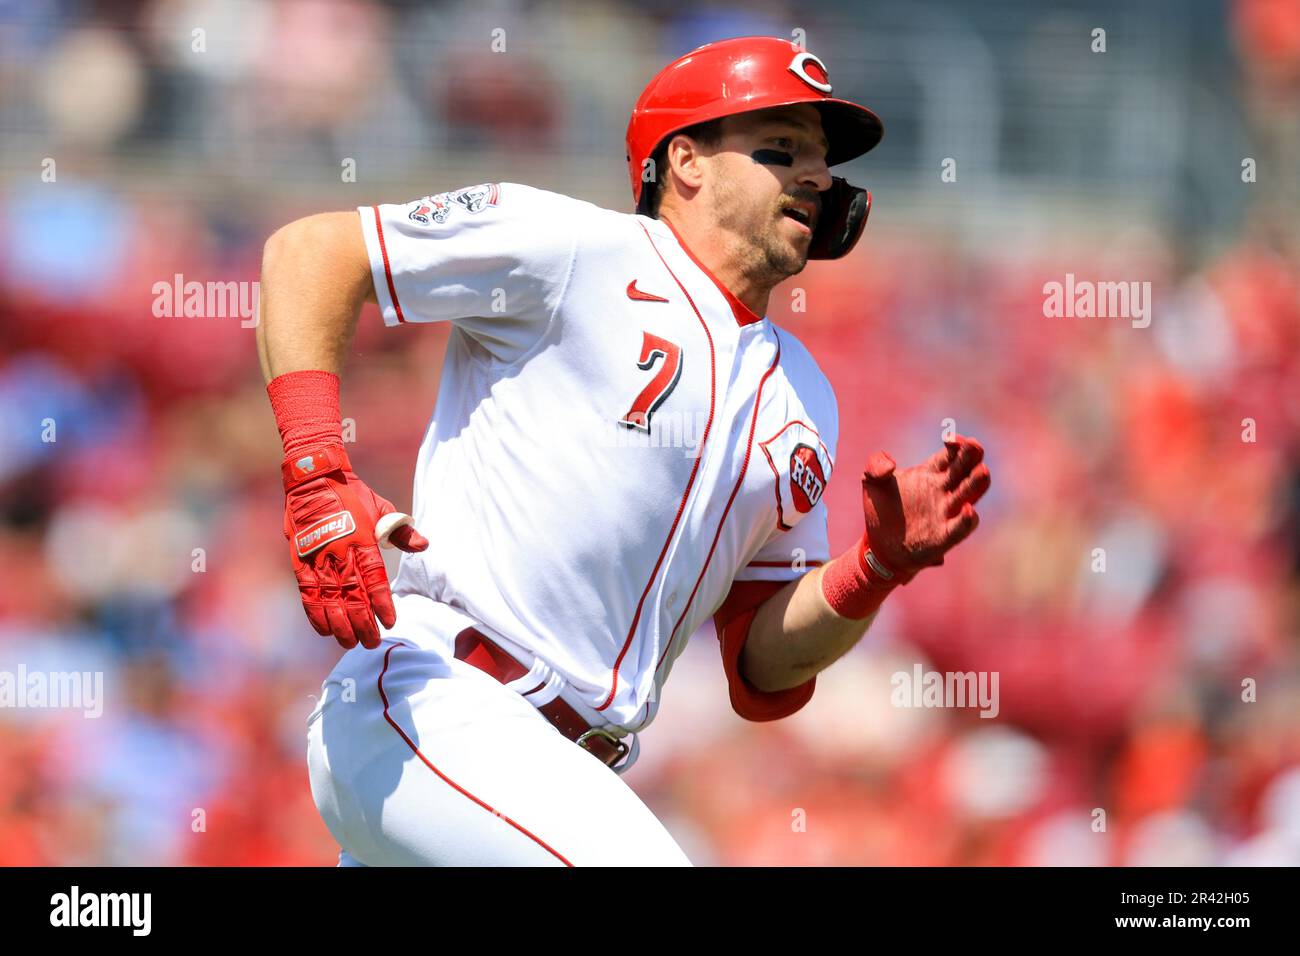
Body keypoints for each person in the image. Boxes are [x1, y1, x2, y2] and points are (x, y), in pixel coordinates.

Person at [256, 36, 991, 866]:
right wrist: (317, 470)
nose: (816, 178)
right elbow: (311, 252)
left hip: (557, 774)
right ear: (686, 163)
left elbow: (762, 662)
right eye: (781, 148)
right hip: (444, 702)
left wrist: (874, 569)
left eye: (822, 161)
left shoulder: (805, 394)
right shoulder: (573, 247)